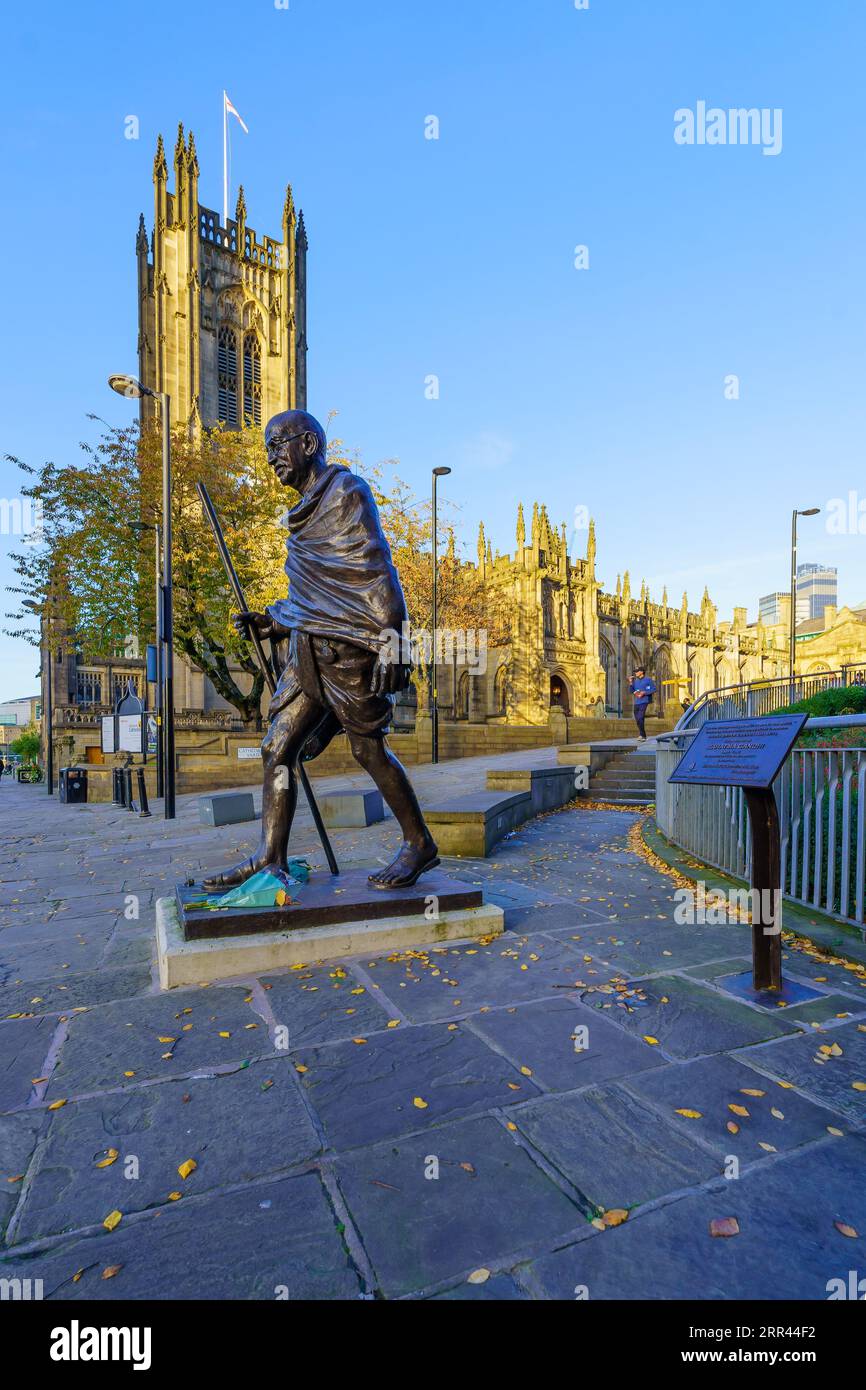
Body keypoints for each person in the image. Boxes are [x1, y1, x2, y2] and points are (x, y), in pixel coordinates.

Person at [204, 409, 440, 893]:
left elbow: (375, 572)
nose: (272, 458)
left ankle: (419, 843)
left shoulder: (346, 493)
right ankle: (270, 857)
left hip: (351, 650)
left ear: (308, 444)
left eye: (278, 445)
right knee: (277, 747)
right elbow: (315, 594)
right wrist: (275, 619)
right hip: (306, 649)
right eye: (268, 449)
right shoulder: (302, 512)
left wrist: (394, 643)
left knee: (368, 750)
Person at [629, 667, 656, 741]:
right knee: (637, 719)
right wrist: (631, 682)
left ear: (641, 672)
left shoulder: (648, 680)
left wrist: (644, 692)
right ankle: (642, 734)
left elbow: (653, 689)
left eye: (637, 671)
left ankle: (642, 735)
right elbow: (631, 691)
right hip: (637, 702)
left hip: (644, 701)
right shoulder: (636, 681)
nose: (635, 673)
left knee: (640, 717)